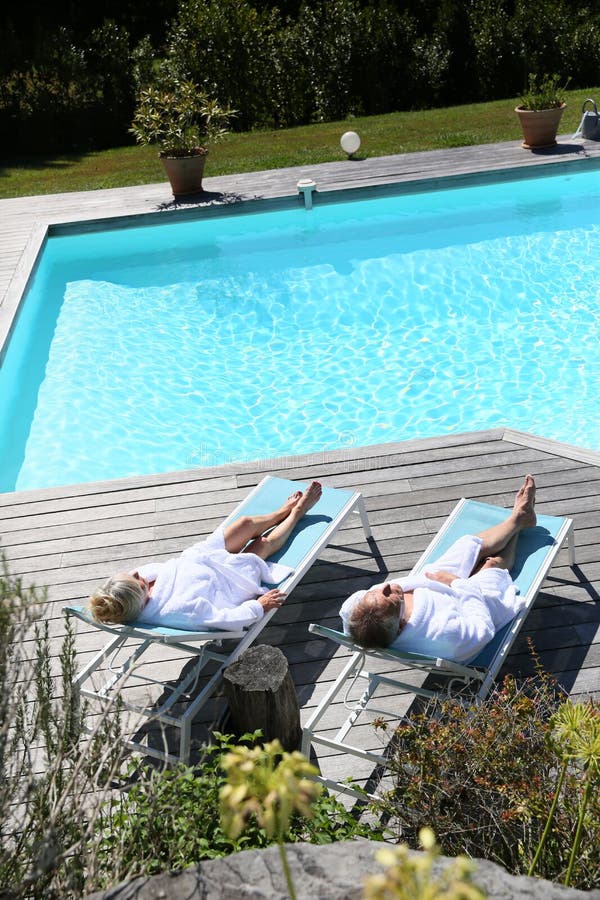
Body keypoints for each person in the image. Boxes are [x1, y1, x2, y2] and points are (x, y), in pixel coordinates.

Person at [340, 475, 538, 663]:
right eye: (389, 596)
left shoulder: (353, 611)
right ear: (401, 625)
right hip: (466, 608)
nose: (386, 587)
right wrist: (457, 583)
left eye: (376, 593)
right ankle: (521, 524)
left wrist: (444, 580)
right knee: (490, 566)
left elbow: (366, 607)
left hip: (431, 585)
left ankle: (517, 518)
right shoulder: (445, 634)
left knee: (467, 545)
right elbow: (483, 630)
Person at [89, 481, 322, 630]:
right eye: (138, 582)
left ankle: (280, 512)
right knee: (261, 544)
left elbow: (161, 573)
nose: (139, 574)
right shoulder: (180, 612)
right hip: (227, 582)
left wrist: (137, 583)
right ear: (139, 600)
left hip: (203, 558)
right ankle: (297, 513)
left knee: (244, 524)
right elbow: (227, 619)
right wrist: (259, 606)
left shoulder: (135, 595)